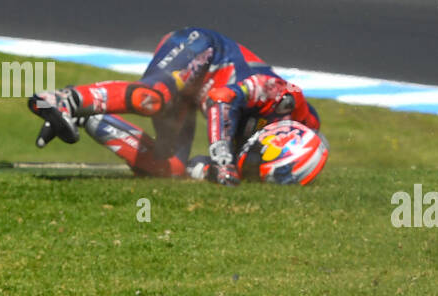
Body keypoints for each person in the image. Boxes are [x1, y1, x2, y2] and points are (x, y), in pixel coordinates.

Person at [28, 27, 320, 185]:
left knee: (170, 168)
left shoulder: (262, 143)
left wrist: (211, 170)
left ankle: (87, 117)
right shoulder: (284, 98)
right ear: (283, 140)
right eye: (262, 166)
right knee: (153, 98)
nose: (255, 168)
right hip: (202, 50)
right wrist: (222, 162)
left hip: (193, 99)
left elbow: (196, 165)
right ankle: (62, 99)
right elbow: (221, 98)